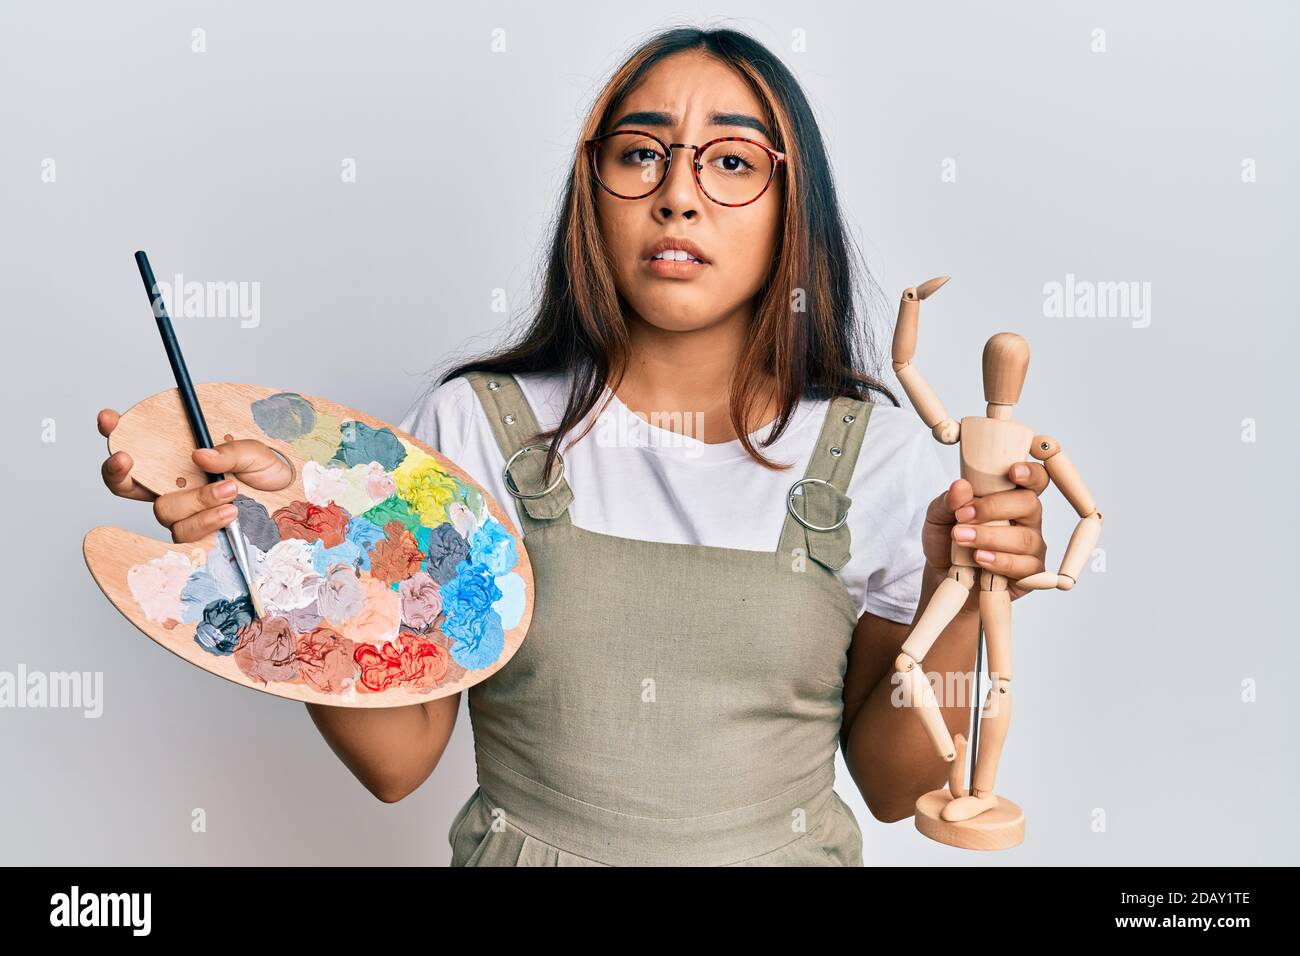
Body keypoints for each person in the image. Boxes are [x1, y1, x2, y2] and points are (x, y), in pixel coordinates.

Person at [96, 27, 1049, 866]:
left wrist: (958, 586)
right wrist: (277, 545)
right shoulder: (478, 426)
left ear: (795, 204)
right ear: (592, 191)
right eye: (640, 154)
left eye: (731, 161)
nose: (678, 194)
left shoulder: (874, 454)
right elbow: (399, 761)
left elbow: (892, 789)